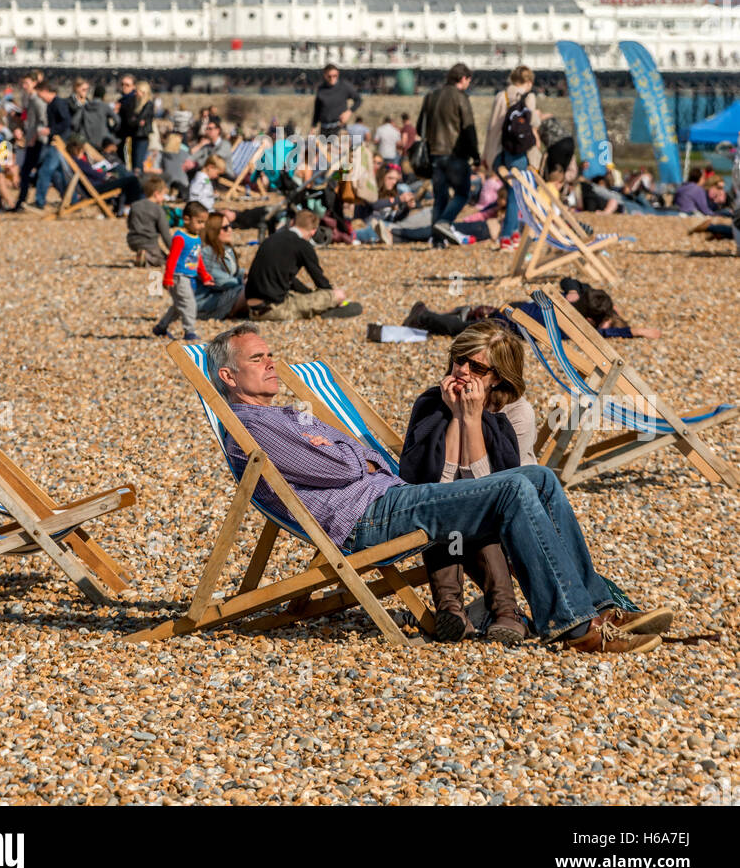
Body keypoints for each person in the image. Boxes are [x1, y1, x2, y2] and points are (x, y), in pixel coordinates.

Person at [207, 325, 673, 653]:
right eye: (258, 359)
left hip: (387, 498)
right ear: (229, 377)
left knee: (542, 478)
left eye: (270, 354)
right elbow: (340, 468)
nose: (272, 363)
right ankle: (573, 627)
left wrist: (344, 450)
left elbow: (344, 455)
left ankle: (598, 609)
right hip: (368, 517)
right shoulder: (252, 425)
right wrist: (352, 453)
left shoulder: (286, 415)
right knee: (513, 489)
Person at [401, 322, 537, 644]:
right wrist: (456, 417)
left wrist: (472, 419)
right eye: (458, 359)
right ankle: (480, 612)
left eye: (476, 366)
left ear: (498, 376)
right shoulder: (431, 405)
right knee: (453, 512)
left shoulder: (515, 414)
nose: (462, 370)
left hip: (503, 520)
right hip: (443, 512)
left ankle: (482, 612)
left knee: (471, 513)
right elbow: (438, 483)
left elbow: (493, 490)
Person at [402, 275, 661, 341]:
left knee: (468, 326)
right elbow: (600, 336)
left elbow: (572, 282)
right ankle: (425, 317)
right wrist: (631, 330)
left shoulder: (577, 307)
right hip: (509, 320)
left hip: (510, 315)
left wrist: (633, 330)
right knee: (465, 327)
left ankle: (429, 317)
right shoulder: (575, 318)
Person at [245, 209, 362, 321]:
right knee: (339, 295)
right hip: (273, 309)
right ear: (314, 231)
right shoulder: (302, 245)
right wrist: (331, 297)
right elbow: (320, 280)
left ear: (292, 223)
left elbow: (285, 278)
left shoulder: (272, 238)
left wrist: (308, 293)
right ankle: (328, 310)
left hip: (252, 307)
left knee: (301, 296)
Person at [482, 65, 541, 250]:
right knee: (517, 194)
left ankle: (514, 234)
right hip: (518, 152)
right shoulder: (528, 97)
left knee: (512, 192)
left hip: (499, 152)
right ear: (529, 82)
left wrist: (486, 154)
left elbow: (492, 127)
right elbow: (532, 123)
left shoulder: (502, 96)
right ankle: (507, 236)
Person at [416, 62, 479, 235]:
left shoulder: (431, 96)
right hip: (456, 154)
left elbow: (419, 126)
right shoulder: (461, 98)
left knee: (439, 198)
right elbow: (469, 129)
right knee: (462, 194)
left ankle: (437, 241)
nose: (468, 85)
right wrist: (476, 155)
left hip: (435, 154)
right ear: (463, 78)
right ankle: (444, 222)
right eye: (468, 80)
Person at [152, 201, 213, 341]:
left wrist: (204, 275)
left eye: (204, 222)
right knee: (189, 304)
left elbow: (198, 259)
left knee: (179, 306)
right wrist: (167, 277)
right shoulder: (180, 238)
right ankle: (189, 331)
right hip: (178, 277)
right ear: (186, 219)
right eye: (199, 222)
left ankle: (161, 327)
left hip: (189, 277)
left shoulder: (196, 238)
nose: (202, 226)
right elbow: (172, 259)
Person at [196, 213, 249, 320]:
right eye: (225, 228)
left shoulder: (225, 249)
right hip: (207, 302)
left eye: (230, 226)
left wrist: (245, 273)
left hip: (222, 293)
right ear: (213, 231)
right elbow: (219, 281)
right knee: (252, 290)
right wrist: (242, 282)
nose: (230, 230)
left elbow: (233, 272)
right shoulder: (206, 253)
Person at [32, 81, 72, 211]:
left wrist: (51, 130)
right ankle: (71, 199)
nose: (39, 97)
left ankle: (40, 201)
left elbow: (66, 122)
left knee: (45, 171)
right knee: (57, 173)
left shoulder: (58, 103)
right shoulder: (51, 104)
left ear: (45, 90)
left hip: (58, 142)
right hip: (55, 141)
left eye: (40, 94)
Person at [13, 71, 47, 211]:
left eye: (27, 83)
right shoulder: (28, 98)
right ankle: (23, 201)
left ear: (34, 83)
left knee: (30, 171)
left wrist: (33, 137)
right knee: (32, 171)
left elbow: (43, 121)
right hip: (31, 139)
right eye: (23, 83)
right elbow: (28, 119)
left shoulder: (37, 100)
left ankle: (23, 201)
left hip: (38, 141)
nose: (24, 86)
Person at [127, 176, 172, 267]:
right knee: (165, 260)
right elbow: (165, 234)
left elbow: (129, 224)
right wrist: (174, 250)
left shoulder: (135, 205)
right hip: (149, 242)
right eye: (163, 195)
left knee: (157, 253)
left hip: (132, 240)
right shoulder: (158, 209)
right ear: (156, 194)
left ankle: (143, 254)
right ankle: (147, 257)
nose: (163, 198)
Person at [311, 63, 362, 138]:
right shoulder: (321, 89)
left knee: (340, 149)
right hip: (324, 129)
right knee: (323, 149)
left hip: (339, 127)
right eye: (329, 76)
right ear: (325, 75)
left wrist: (349, 112)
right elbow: (317, 109)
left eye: (335, 76)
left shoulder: (344, 86)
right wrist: (313, 126)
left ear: (338, 74)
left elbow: (358, 100)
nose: (332, 78)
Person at [70, 79, 119, 151]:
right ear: (104, 96)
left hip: (87, 140)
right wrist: (111, 130)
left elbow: (74, 122)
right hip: (102, 141)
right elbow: (117, 120)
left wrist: (81, 131)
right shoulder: (105, 106)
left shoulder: (85, 106)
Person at [129, 81, 155, 174]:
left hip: (142, 136)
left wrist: (136, 120)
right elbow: (135, 120)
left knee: (138, 162)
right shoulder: (138, 104)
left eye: (137, 91)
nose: (136, 94)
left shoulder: (148, 104)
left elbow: (140, 118)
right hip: (136, 135)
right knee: (135, 161)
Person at [116, 74, 137, 164]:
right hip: (122, 135)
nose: (124, 87)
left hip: (131, 136)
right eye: (123, 84)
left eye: (127, 85)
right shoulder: (121, 100)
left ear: (133, 86)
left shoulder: (134, 100)